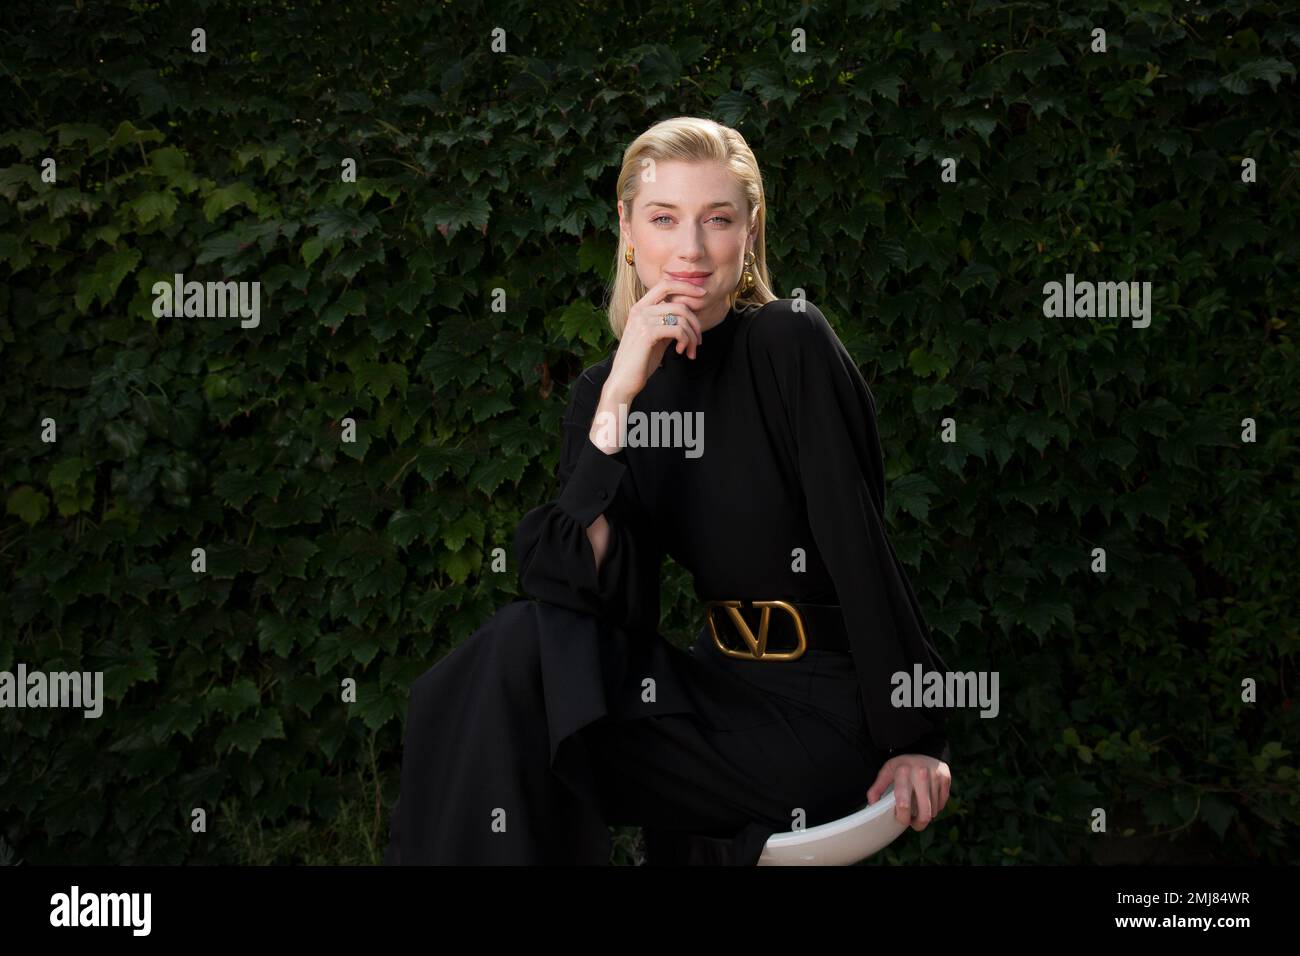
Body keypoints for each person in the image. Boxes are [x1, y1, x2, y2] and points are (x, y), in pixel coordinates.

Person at [385, 116, 954, 866]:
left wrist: (918, 734)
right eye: (664, 219)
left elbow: (860, 545)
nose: (691, 249)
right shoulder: (608, 392)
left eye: (717, 219)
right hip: (712, 691)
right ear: (627, 229)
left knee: (519, 693)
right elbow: (575, 593)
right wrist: (620, 397)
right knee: (506, 664)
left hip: (819, 711)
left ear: (750, 231)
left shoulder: (787, 341)